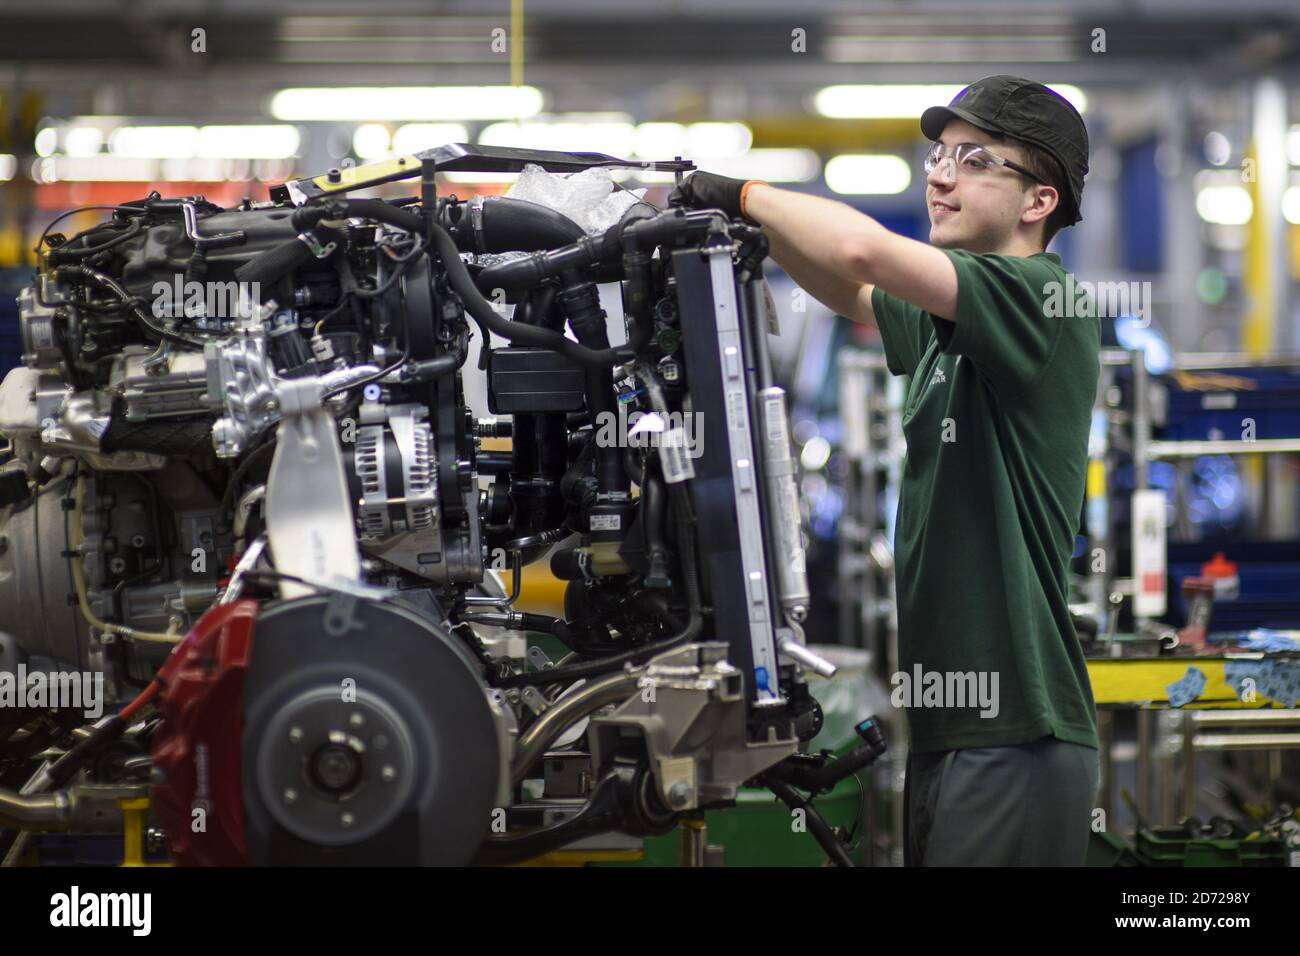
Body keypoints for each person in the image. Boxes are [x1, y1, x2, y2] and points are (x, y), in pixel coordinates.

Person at [670, 75, 1101, 866]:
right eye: (938, 155)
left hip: (1017, 729)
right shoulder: (953, 324)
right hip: (957, 729)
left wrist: (738, 191)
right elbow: (853, 289)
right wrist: (745, 233)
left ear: (1038, 201)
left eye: (975, 159)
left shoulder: (1039, 298)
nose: (939, 175)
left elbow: (862, 248)